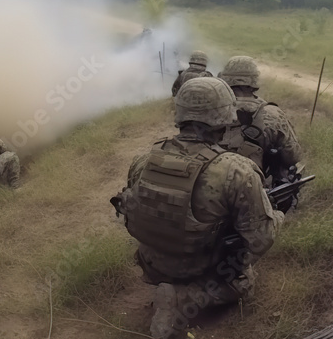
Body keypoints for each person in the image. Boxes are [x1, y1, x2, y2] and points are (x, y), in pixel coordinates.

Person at [112, 77, 282, 339]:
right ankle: (182, 297)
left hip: (152, 265)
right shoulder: (236, 170)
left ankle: (166, 285)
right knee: (244, 280)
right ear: (226, 118)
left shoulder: (145, 160)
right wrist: (278, 216)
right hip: (199, 269)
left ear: (181, 114)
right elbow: (261, 241)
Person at [218, 56, 304, 186]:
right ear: (254, 81)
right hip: (254, 188)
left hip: (209, 186)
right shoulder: (273, 114)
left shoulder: (211, 109)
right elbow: (293, 156)